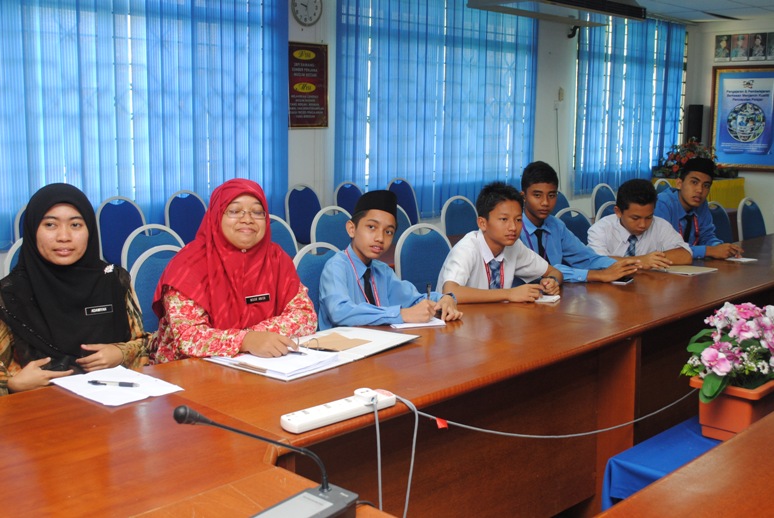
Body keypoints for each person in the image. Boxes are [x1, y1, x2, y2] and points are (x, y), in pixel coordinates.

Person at [0, 184, 148, 396]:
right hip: (37, 409)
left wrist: (120, 353)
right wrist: (12, 384)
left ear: (90, 230)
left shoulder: (112, 280)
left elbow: (144, 344)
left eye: (76, 225)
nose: (64, 236)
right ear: (32, 231)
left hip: (112, 404)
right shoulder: (9, 296)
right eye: (50, 225)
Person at [151, 178, 317, 363]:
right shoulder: (188, 265)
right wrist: (246, 340)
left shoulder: (276, 258)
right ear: (216, 215)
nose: (247, 219)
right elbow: (190, 338)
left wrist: (253, 337)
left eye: (257, 212)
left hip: (263, 365)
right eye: (235, 211)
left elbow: (305, 317)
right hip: (189, 370)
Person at [318, 190, 462, 330]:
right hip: (343, 349)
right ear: (351, 229)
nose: (380, 238)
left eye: (388, 232)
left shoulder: (382, 271)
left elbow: (414, 300)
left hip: (379, 346)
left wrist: (445, 299)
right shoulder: (336, 267)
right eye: (371, 227)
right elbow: (340, 312)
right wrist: (401, 314)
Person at [437, 181, 563, 304]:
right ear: (482, 223)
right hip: (457, 321)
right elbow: (450, 292)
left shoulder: (514, 246)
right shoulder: (466, 249)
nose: (513, 227)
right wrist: (509, 294)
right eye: (504, 219)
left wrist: (552, 281)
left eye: (518, 219)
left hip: (495, 320)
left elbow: (554, 272)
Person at [519, 161, 641, 283]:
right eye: (537, 195)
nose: (545, 202)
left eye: (551, 195)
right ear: (523, 196)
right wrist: (598, 275)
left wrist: (620, 266)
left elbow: (587, 258)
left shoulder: (556, 225)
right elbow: (541, 272)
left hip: (553, 294)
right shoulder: (513, 229)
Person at [588, 179, 692, 268]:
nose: (643, 224)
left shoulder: (660, 225)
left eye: (648, 217)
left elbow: (685, 255)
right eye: (635, 218)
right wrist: (641, 261)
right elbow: (596, 261)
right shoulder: (600, 229)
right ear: (618, 212)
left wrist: (651, 260)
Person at [655, 157, 743, 259]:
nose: (700, 190)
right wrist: (710, 250)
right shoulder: (662, 204)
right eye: (694, 182)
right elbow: (665, 249)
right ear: (679, 183)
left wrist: (719, 247)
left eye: (706, 186)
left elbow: (707, 236)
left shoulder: (701, 204)